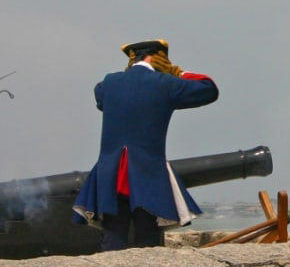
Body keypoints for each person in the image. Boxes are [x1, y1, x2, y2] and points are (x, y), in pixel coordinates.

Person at [73, 39, 219, 249]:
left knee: (113, 234)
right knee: (147, 236)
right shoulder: (165, 83)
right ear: (156, 57)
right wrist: (177, 72)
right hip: (146, 171)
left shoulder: (110, 83)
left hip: (110, 173)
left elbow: (100, 95)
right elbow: (208, 89)